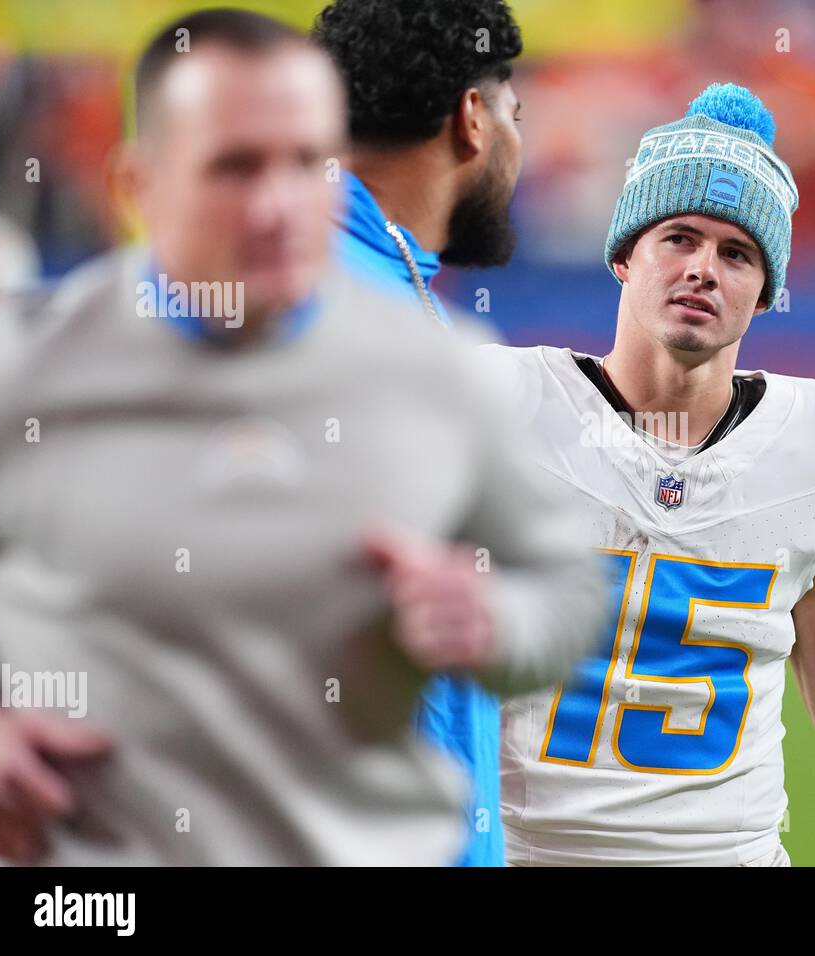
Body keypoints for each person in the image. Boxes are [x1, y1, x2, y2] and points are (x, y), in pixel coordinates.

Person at [0, 7, 603, 866]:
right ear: (139, 185)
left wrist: (495, 619)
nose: (278, 205)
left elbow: (565, 582)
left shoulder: (436, 363)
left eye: (307, 163)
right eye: (235, 166)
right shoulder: (27, 369)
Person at [490, 83, 815, 866]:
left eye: (736, 252)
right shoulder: (500, 410)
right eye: (678, 238)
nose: (703, 270)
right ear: (624, 254)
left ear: (765, 291)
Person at [311, 0, 523, 865]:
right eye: (518, 113)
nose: (521, 145)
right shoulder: (325, 301)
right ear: (473, 118)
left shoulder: (370, 282)